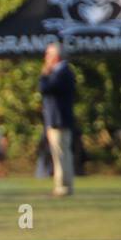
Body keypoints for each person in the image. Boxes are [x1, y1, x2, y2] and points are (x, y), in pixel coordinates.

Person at [39, 43, 77, 197]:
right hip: (56, 119)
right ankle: (63, 185)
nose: (46, 58)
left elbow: (45, 88)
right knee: (61, 154)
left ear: (56, 56)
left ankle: (62, 186)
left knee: (61, 154)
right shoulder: (62, 71)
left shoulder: (62, 72)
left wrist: (44, 73)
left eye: (49, 54)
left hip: (58, 119)